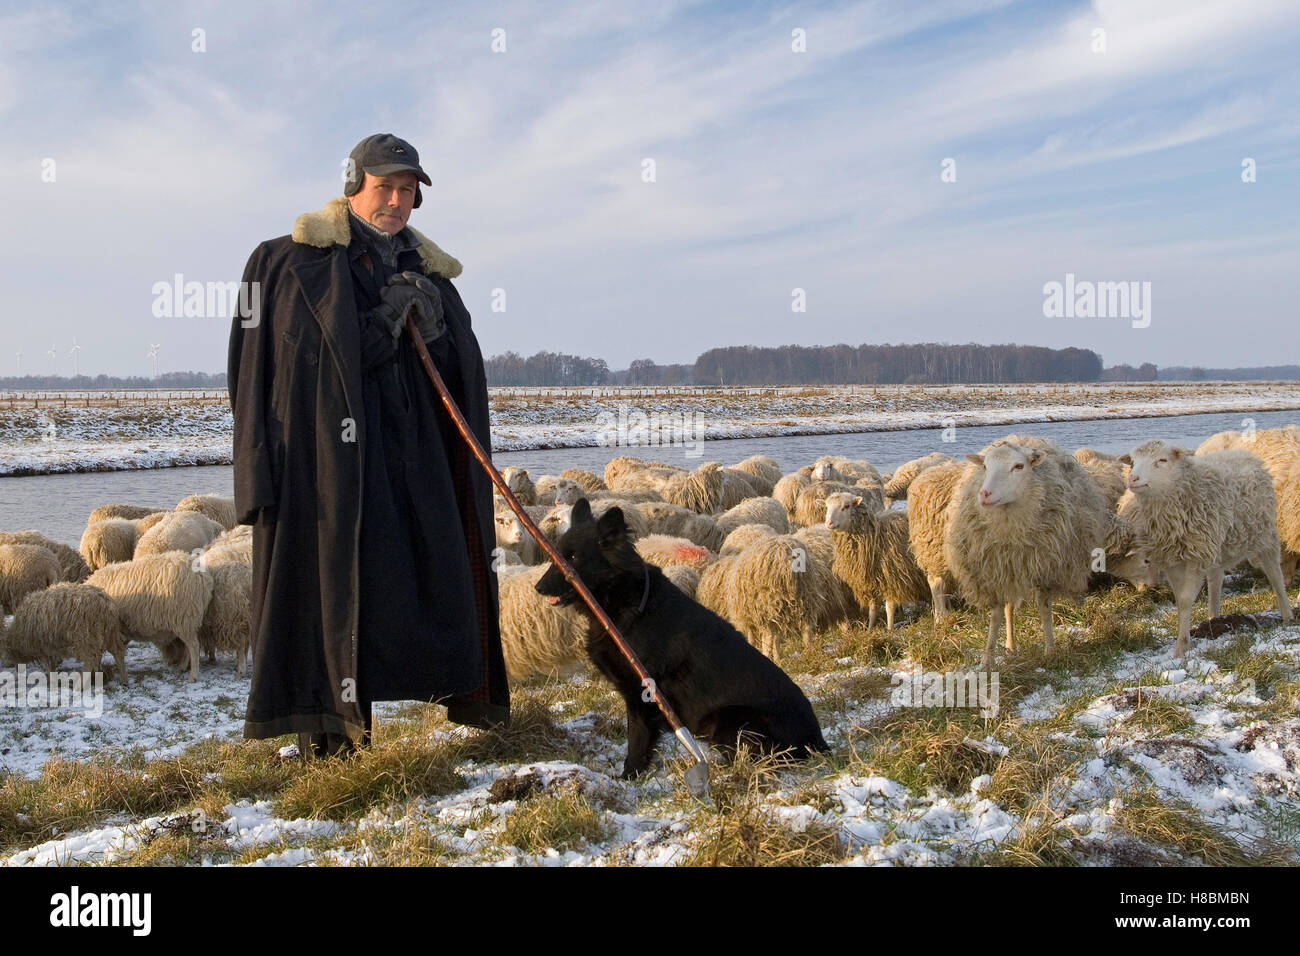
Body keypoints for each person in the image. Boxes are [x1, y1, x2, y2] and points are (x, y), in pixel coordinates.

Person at [228, 133, 510, 758]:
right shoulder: (285, 262)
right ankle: (332, 743)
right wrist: (253, 473)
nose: (397, 201)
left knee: (410, 584)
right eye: (385, 187)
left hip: (416, 462)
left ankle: (429, 701)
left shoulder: (432, 275)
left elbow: (456, 373)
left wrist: (435, 334)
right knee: (331, 591)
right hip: (324, 465)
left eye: (408, 191)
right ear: (354, 184)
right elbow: (257, 372)